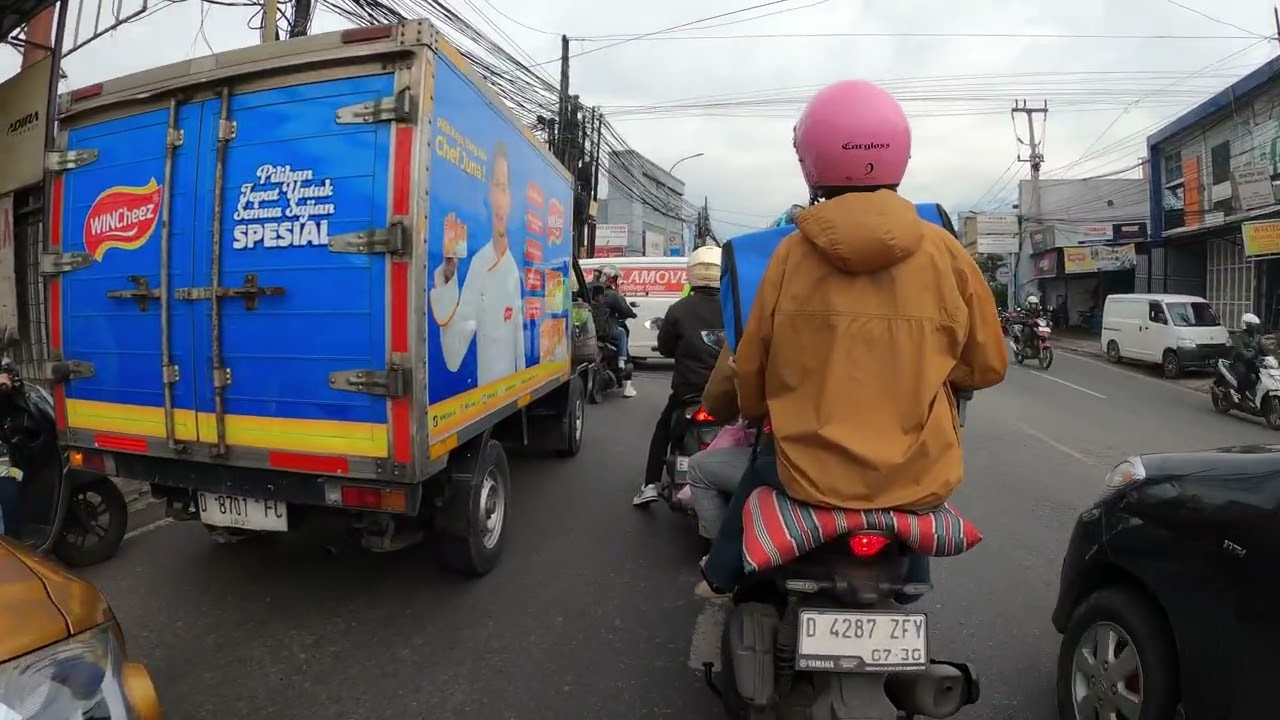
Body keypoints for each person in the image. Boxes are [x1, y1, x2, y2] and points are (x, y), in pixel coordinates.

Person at [696, 79, 1008, 597]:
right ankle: (910, 580)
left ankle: (719, 577)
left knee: (757, 473)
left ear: (810, 161)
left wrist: (755, 409)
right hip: (920, 474)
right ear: (899, 154)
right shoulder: (947, 252)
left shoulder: (790, 257)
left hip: (809, 473)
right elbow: (988, 365)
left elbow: (750, 366)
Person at [633, 246, 725, 506]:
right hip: (727, 391)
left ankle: (650, 484)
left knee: (664, 428)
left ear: (692, 274)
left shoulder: (678, 309)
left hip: (688, 391)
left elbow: (665, 348)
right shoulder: (735, 309)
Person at [430, 141, 525, 386]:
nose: (500, 198)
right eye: (496, 186)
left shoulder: (515, 268)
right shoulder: (480, 265)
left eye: (505, 188)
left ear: (511, 198)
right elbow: (453, 355)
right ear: (487, 198)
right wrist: (449, 279)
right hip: (488, 403)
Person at [592, 264, 637, 398]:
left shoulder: (591, 291)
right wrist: (632, 314)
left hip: (592, 331)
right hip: (607, 330)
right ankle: (622, 365)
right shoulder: (611, 294)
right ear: (610, 278)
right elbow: (624, 310)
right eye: (615, 278)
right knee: (622, 333)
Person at [1232, 312, 1266, 405]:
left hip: (1252, 362)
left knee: (1263, 375)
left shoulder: (1256, 337)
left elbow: (1262, 349)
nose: (1254, 327)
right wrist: (1248, 355)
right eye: (1252, 325)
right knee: (1244, 375)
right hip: (1240, 361)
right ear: (1246, 325)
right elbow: (1240, 351)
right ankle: (1239, 394)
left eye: (1255, 325)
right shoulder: (1239, 336)